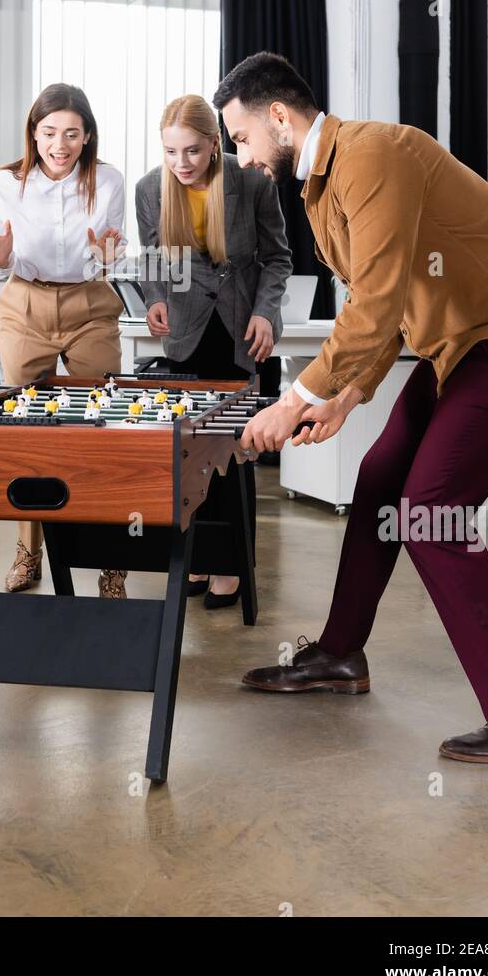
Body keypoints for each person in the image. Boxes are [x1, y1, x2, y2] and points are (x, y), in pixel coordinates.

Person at [216, 50, 488, 763]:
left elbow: (375, 303)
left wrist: (297, 399)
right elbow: (393, 306)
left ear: (278, 117)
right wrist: (348, 394)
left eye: (243, 137)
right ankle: (339, 656)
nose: (243, 157)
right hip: (459, 346)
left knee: (428, 511)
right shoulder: (319, 190)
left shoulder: (373, 154)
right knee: (380, 480)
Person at [0, 84, 128, 597]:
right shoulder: (5, 184)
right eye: (49, 132)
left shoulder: (107, 181)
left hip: (88, 308)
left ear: (87, 137)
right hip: (25, 307)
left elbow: (107, 260)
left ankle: (111, 561)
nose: (59, 144)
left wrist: (105, 258)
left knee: (100, 432)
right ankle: (28, 552)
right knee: (27, 432)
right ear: (33, 132)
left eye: (72, 134)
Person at [135, 94, 292, 607]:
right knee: (189, 454)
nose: (182, 164)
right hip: (186, 335)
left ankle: (234, 565)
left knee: (234, 452)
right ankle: (198, 559)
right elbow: (153, 257)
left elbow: (277, 258)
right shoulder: (149, 190)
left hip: (240, 333)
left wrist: (267, 313)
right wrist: (155, 298)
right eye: (171, 152)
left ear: (214, 143)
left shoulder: (249, 179)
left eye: (193, 152)